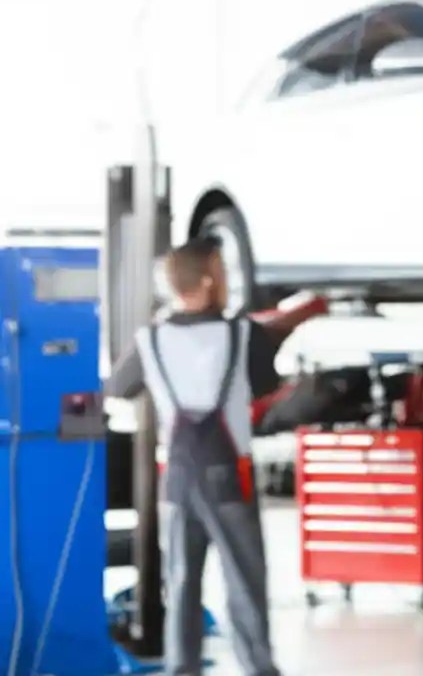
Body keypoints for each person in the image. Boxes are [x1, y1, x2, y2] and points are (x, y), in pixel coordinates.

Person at [105, 237, 284, 676]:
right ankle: (259, 668)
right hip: (230, 480)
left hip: (179, 481)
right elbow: (265, 386)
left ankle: (181, 668)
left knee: (181, 582)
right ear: (207, 280)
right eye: (222, 271)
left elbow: (117, 389)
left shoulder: (150, 340)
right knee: (245, 581)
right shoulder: (243, 334)